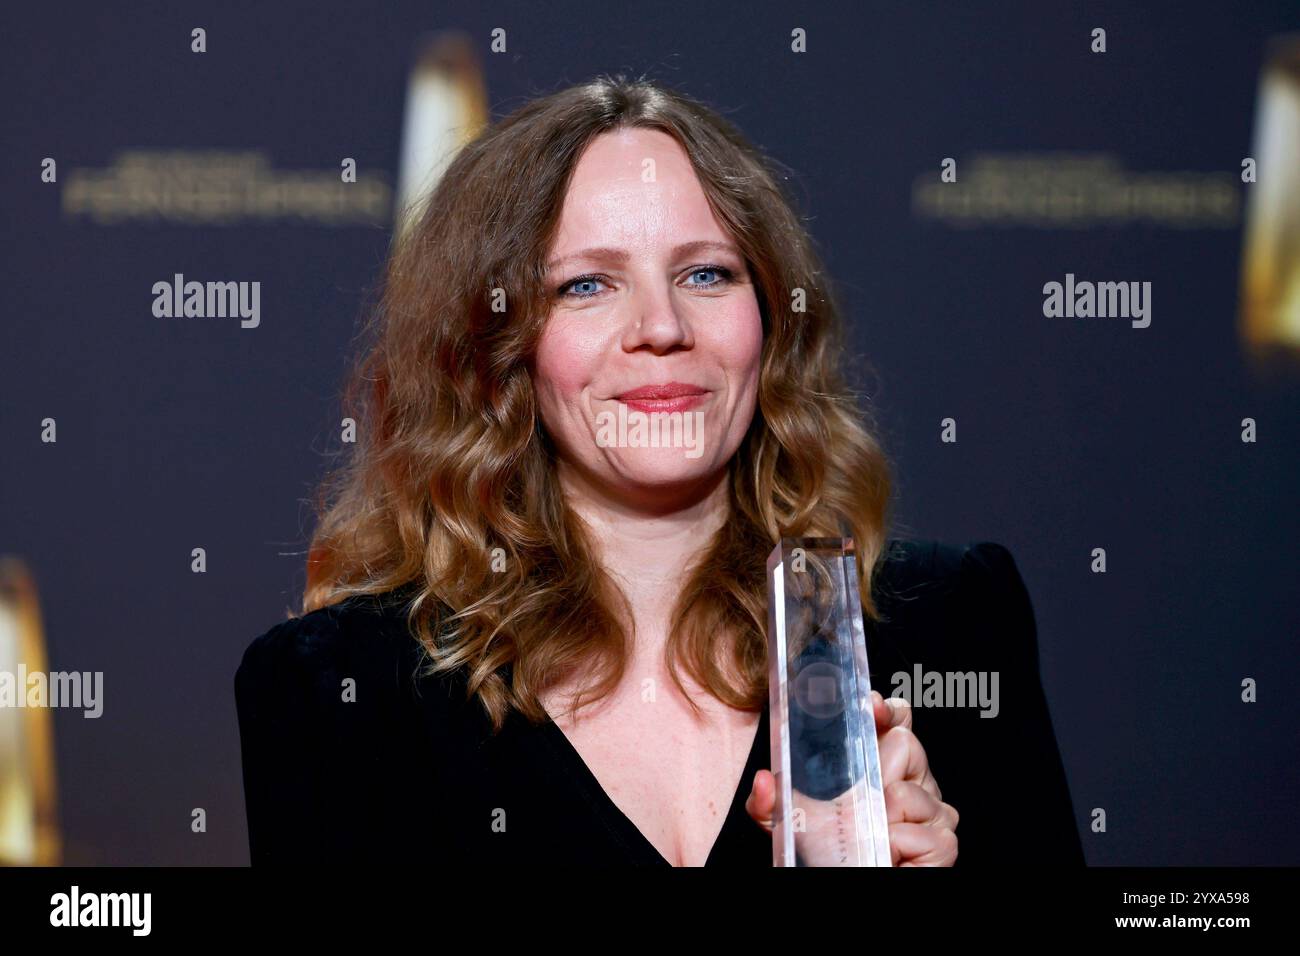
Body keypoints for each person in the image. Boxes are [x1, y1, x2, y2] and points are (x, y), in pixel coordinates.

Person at [234, 74, 1084, 867]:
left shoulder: (946, 621)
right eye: (587, 286)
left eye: (706, 272)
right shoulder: (337, 687)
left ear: (771, 322)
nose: (663, 326)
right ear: (495, 350)